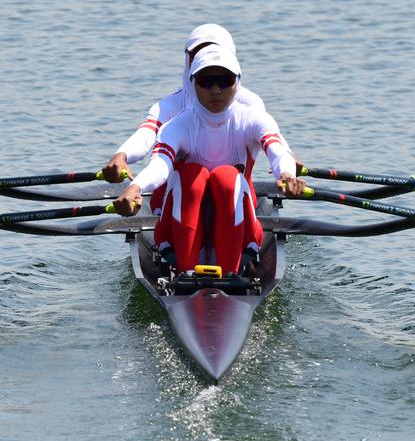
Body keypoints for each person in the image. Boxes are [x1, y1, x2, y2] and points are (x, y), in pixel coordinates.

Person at [112, 45, 305, 276]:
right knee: (191, 175)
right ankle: (186, 270)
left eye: (224, 81)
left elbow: (277, 151)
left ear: (237, 82)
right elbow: (160, 165)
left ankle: (230, 272)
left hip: (241, 239)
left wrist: (286, 174)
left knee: (226, 177)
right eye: (206, 81)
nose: (215, 90)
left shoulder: (254, 119)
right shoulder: (176, 126)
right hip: (177, 240)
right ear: (193, 83)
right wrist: (136, 187)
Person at [101, 23, 266, 208]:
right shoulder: (170, 106)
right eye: (198, 54)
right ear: (189, 60)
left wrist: (285, 170)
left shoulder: (251, 105)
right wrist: (122, 155)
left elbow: (273, 145)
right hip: (178, 203)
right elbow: (145, 135)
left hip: (233, 201)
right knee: (189, 176)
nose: (207, 59)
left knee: (226, 179)